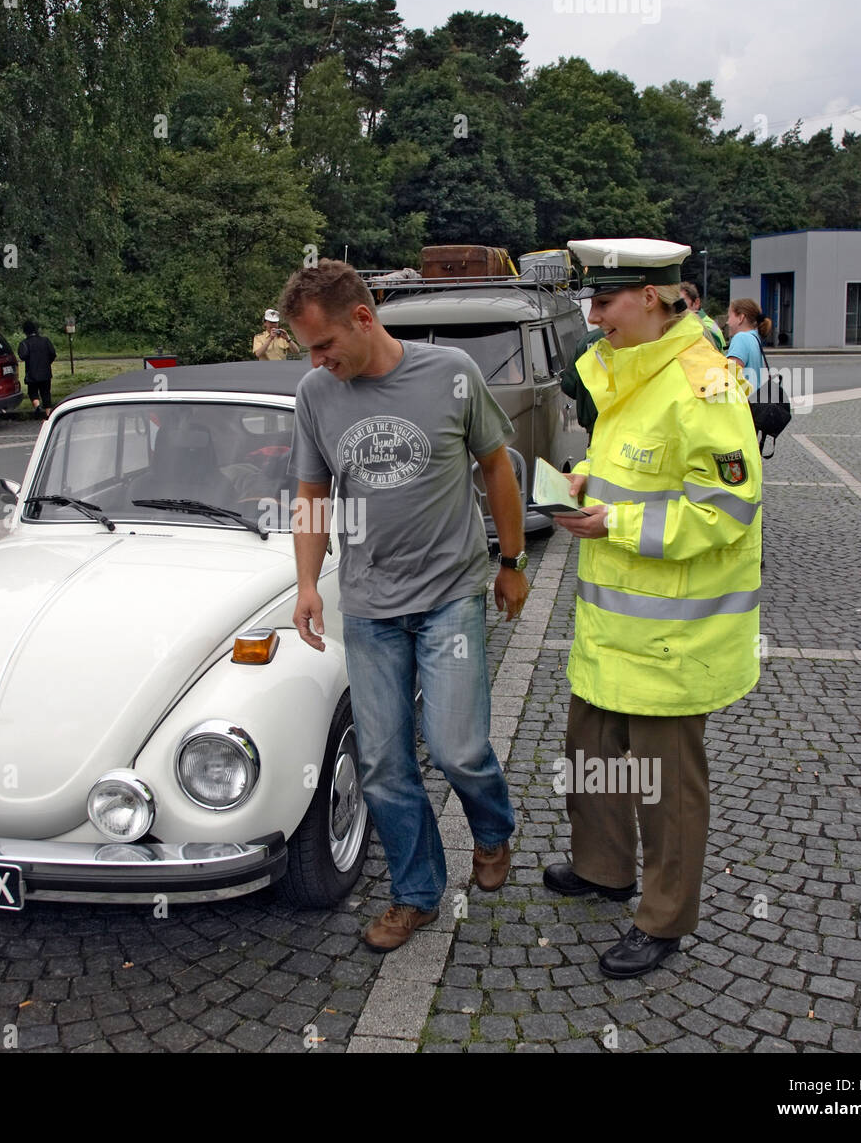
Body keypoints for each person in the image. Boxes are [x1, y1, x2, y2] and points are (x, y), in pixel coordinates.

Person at [282, 259, 527, 952]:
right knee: (386, 767)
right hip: (368, 606)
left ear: (363, 318)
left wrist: (512, 563)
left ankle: (493, 828)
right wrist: (307, 582)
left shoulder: (450, 373)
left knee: (457, 749)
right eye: (309, 350)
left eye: (325, 344)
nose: (319, 361)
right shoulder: (314, 394)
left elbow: (496, 466)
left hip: (451, 593)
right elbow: (311, 496)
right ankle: (416, 892)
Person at [547, 238, 762, 979]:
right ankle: (604, 868)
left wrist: (617, 524)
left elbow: (728, 507)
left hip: (674, 636)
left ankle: (665, 918)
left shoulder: (705, 382)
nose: (594, 316)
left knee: (665, 788)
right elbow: (631, 470)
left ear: (651, 297)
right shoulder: (626, 371)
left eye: (604, 301)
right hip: (613, 628)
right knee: (591, 758)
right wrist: (580, 483)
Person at [725, 298, 773, 393]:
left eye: (729, 317)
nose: (727, 322)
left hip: (742, 402)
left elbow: (730, 375)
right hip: (753, 400)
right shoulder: (754, 338)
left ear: (741, 318)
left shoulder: (741, 338)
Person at [18, 320, 57, 418]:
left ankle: (37, 406)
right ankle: (48, 413)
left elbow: (22, 356)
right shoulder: (45, 340)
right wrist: (47, 363)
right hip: (45, 372)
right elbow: (52, 354)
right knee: (46, 392)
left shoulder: (24, 343)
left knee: (32, 392)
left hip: (32, 373)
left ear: (25, 331)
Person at [679, 280, 726, 352]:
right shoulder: (709, 323)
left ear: (696, 303)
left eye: (682, 302)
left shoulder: (704, 329)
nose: (678, 308)